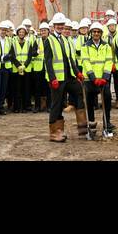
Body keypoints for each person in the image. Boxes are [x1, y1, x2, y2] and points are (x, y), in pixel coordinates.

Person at [45, 13, 87, 142]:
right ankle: (55, 132)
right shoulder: (49, 40)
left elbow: (70, 59)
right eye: (57, 25)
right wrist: (53, 79)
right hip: (57, 79)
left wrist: (77, 72)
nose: (60, 26)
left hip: (68, 76)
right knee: (57, 104)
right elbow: (48, 61)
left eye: (61, 24)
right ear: (53, 26)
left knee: (80, 90)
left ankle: (82, 125)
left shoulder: (64, 39)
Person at [81, 20, 115, 138]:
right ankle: (91, 124)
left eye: (98, 32)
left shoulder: (106, 46)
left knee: (107, 99)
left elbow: (108, 61)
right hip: (90, 80)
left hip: (103, 79)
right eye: (94, 32)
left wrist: (105, 77)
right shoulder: (85, 46)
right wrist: (93, 77)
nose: (96, 34)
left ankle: (107, 123)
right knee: (90, 102)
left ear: (101, 33)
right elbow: (86, 62)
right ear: (91, 33)